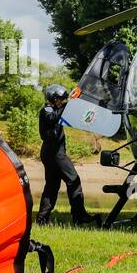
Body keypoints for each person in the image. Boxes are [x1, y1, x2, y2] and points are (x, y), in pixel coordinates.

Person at [36, 84, 97, 225]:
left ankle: (42, 219)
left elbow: (67, 115)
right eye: (60, 99)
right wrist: (68, 104)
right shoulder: (47, 109)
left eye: (63, 100)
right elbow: (52, 118)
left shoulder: (57, 109)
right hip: (54, 153)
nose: (61, 102)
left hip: (52, 153)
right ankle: (79, 216)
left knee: (52, 186)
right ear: (52, 98)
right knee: (73, 180)